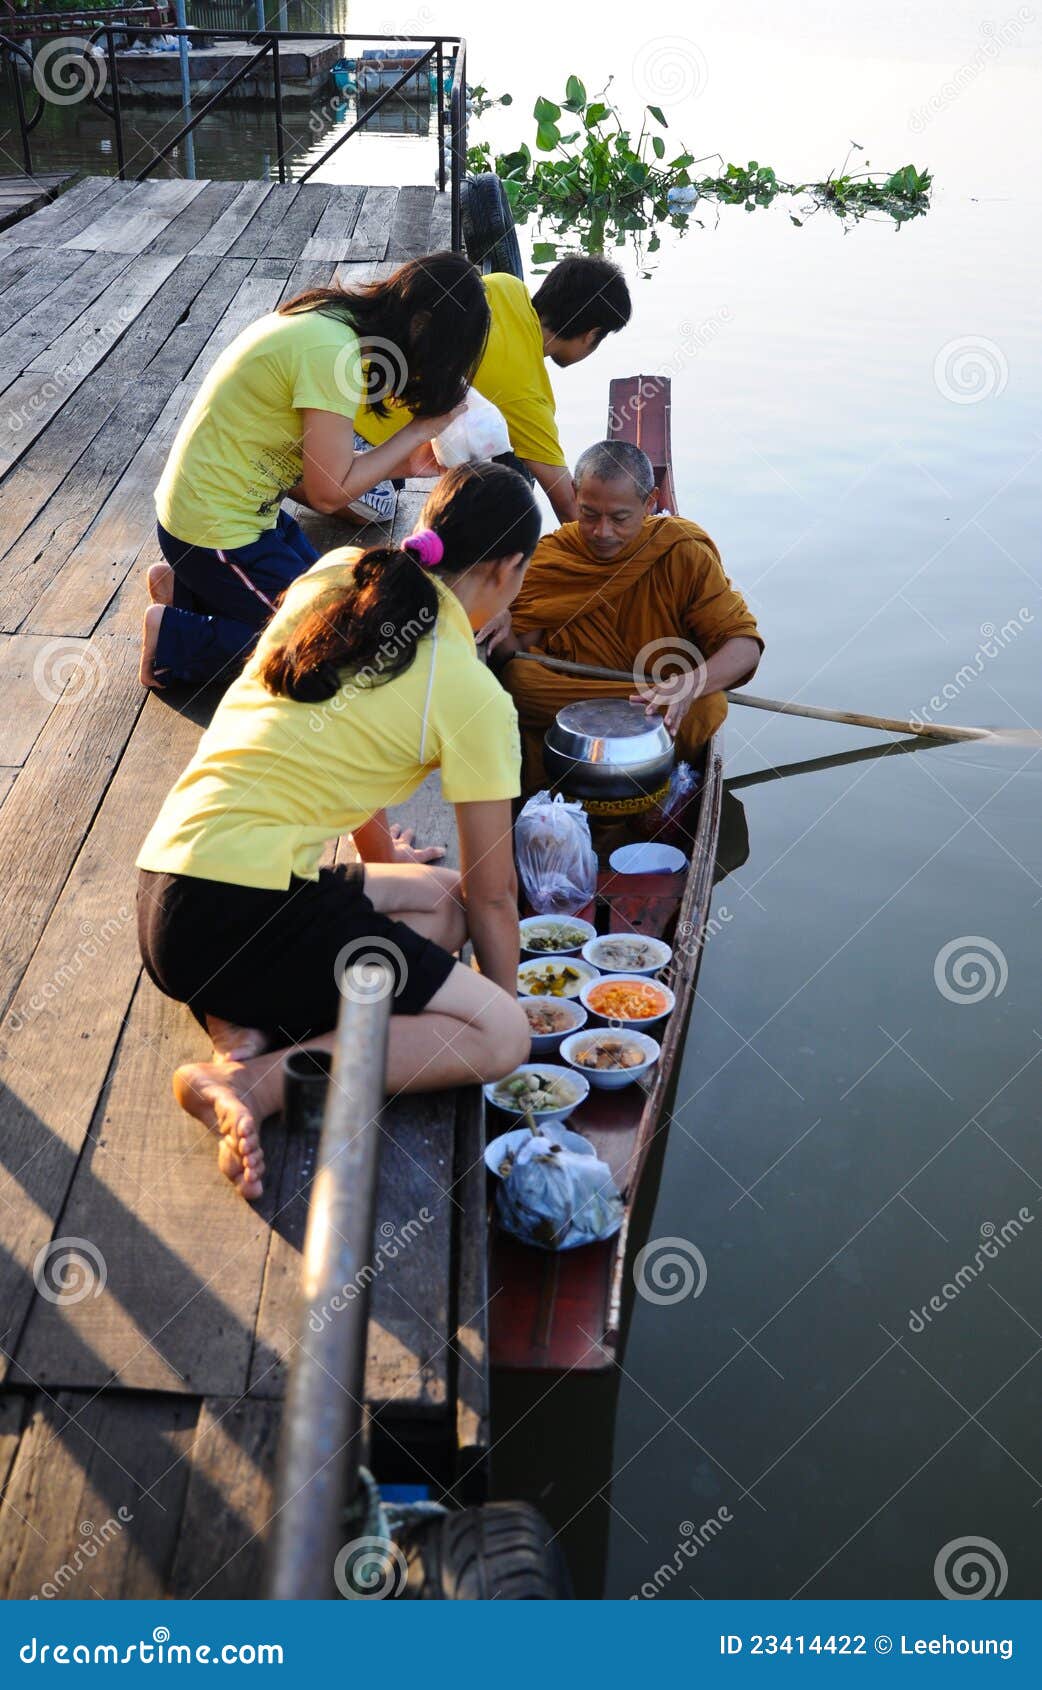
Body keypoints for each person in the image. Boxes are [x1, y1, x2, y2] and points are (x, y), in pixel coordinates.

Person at [136, 461, 541, 1200]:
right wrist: (503, 1014)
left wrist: (382, 858)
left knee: (438, 903)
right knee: (499, 1036)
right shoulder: (470, 692)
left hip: (166, 894)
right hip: (235, 915)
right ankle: (255, 1083)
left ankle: (240, 1017)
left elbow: (334, 738)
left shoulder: (340, 576)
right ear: (509, 568)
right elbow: (497, 898)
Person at [141, 252, 491, 690]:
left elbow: (321, 474)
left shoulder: (335, 320)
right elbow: (326, 495)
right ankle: (172, 640)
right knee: (328, 650)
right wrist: (419, 429)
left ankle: (187, 591)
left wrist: (407, 462)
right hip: (215, 533)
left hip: (235, 514)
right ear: (420, 325)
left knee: (344, 605)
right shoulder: (334, 355)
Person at [486, 439, 764, 788]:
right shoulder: (555, 554)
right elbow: (515, 653)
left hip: (659, 693)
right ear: (574, 494)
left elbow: (744, 646)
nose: (602, 532)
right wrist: (501, 617)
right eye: (588, 514)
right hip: (597, 693)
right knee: (520, 680)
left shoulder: (681, 552)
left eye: (619, 518)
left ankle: (656, 782)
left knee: (706, 706)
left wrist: (688, 685)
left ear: (649, 503)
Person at [356, 257, 632, 522]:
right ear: (591, 335)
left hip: (341, 394)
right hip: (362, 448)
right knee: (384, 506)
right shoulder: (528, 397)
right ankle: (314, 479)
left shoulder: (505, 284)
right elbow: (569, 506)